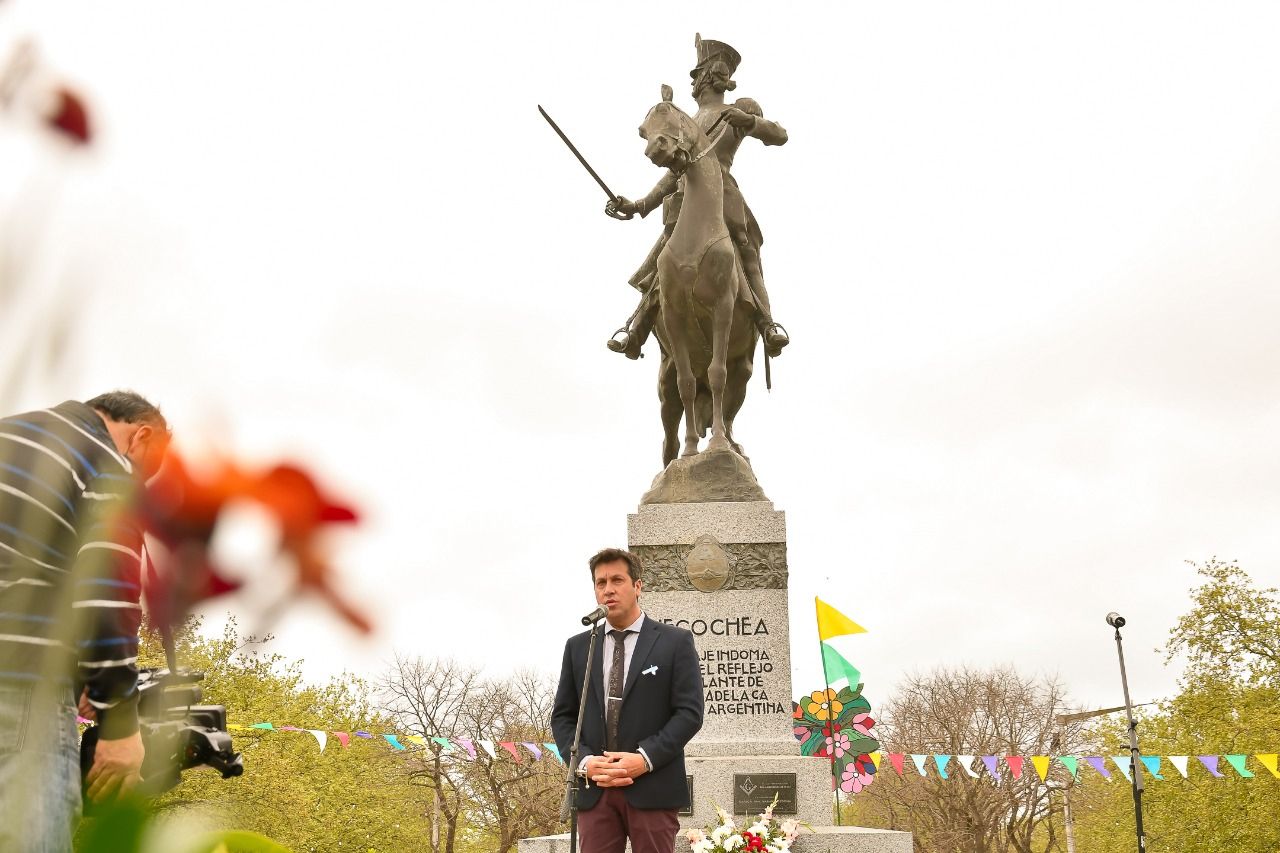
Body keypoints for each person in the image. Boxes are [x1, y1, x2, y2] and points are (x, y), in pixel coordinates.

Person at [0, 391, 170, 852]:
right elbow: (106, 597)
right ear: (141, 436)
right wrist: (120, 727)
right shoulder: (105, 466)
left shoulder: (11, 433)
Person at [607, 34, 790, 360]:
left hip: (724, 193)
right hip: (684, 196)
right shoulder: (686, 122)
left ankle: (767, 324)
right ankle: (638, 325)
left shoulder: (736, 110)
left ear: (713, 76)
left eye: (699, 75)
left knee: (747, 255)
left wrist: (750, 122)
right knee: (664, 260)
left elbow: (779, 134)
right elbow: (673, 173)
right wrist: (639, 205)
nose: (695, 82)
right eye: (695, 76)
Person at [551, 547, 704, 853]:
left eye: (617, 580)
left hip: (652, 785)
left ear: (637, 586)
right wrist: (584, 762)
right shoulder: (579, 646)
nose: (608, 589)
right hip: (596, 789)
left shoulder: (675, 642)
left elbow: (689, 713)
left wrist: (644, 759)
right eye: (600, 582)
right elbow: (564, 717)